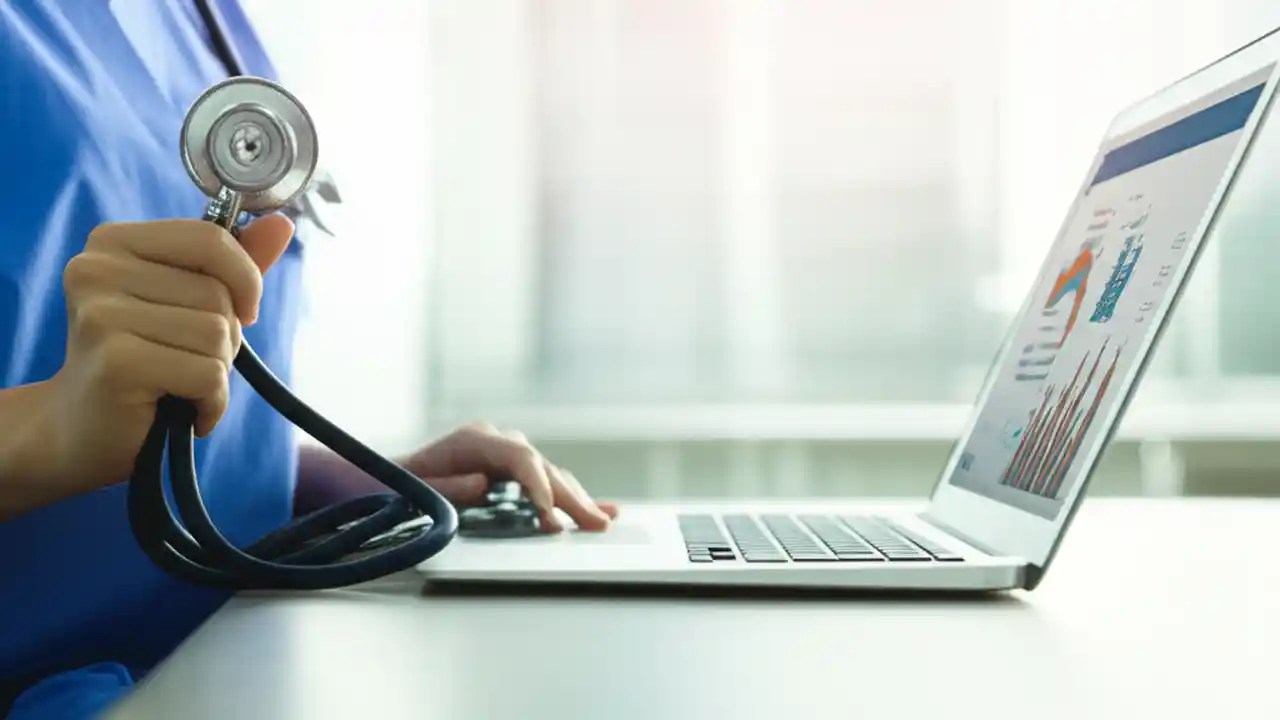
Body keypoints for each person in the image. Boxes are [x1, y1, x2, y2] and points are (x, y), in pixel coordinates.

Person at [0, 2, 618, 716]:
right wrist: (44, 429)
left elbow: (175, 412)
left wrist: (364, 486)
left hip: (239, 657)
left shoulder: (201, 16)